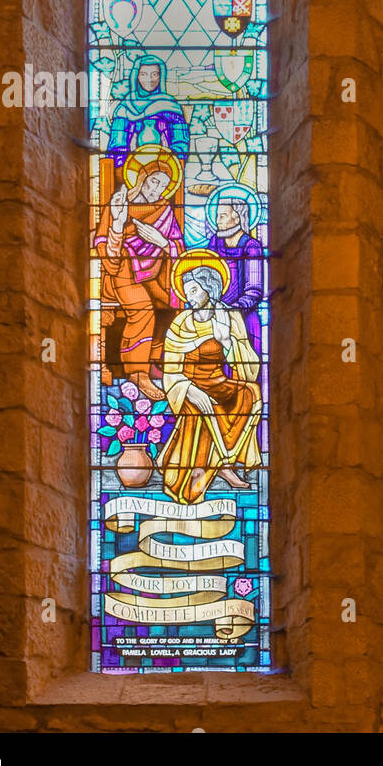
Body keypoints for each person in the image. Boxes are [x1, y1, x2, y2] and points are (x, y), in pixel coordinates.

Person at [156, 263, 262, 504]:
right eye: (186, 291)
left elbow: (249, 370)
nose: (188, 297)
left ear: (209, 289)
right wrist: (188, 390)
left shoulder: (229, 316)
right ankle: (197, 474)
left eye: (193, 290)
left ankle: (224, 464)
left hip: (219, 382)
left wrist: (227, 342)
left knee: (250, 394)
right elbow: (171, 370)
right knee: (201, 409)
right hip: (189, 386)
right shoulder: (181, 323)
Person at [95, 147, 185, 399]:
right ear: (142, 176)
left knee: (175, 300)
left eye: (163, 186)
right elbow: (108, 255)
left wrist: (162, 242)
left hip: (153, 272)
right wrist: (116, 220)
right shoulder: (118, 204)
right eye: (154, 181)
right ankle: (137, 373)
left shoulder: (164, 210)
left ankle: (156, 359)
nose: (156, 190)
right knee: (143, 309)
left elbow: (177, 247)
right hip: (122, 273)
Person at [206, 190, 265, 353]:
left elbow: (254, 290)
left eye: (222, 216)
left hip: (243, 320)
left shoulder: (251, 246)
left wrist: (232, 310)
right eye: (217, 216)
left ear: (237, 217)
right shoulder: (215, 243)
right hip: (215, 318)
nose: (217, 221)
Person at [107, 55, 190, 166]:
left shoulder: (171, 107)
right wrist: (131, 158)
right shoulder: (125, 108)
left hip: (166, 169)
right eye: (143, 74)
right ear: (136, 76)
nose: (150, 79)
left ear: (161, 76)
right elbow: (116, 147)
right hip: (131, 170)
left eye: (154, 74)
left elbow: (181, 143)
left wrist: (168, 156)